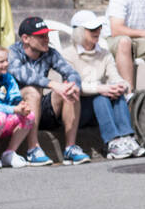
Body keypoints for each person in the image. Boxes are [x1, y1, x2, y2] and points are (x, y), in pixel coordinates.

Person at [8, 16, 89, 165]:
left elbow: (71, 72)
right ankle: (33, 149)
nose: (46, 39)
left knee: (68, 89)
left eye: (47, 35)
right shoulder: (13, 52)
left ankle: (70, 148)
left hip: (40, 108)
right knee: (33, 90)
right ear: (26, 38)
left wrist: (73, 85)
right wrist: (52, 84)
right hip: (16, 110)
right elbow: (22, 74)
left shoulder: (50, 53)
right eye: (41, 36)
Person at [64, 10, 143, 159]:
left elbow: (116, 77)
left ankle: (127, 138)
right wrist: (100, 88)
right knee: (100, 96)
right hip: (78, 111)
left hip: (101, 107)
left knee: (115, 94)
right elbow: (72, 87)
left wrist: (120, 86)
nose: (98, 31)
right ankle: (112, 142)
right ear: (79, 31)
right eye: (92, 29)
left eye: (99, 27)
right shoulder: (68, 55)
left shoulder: (104, 53)